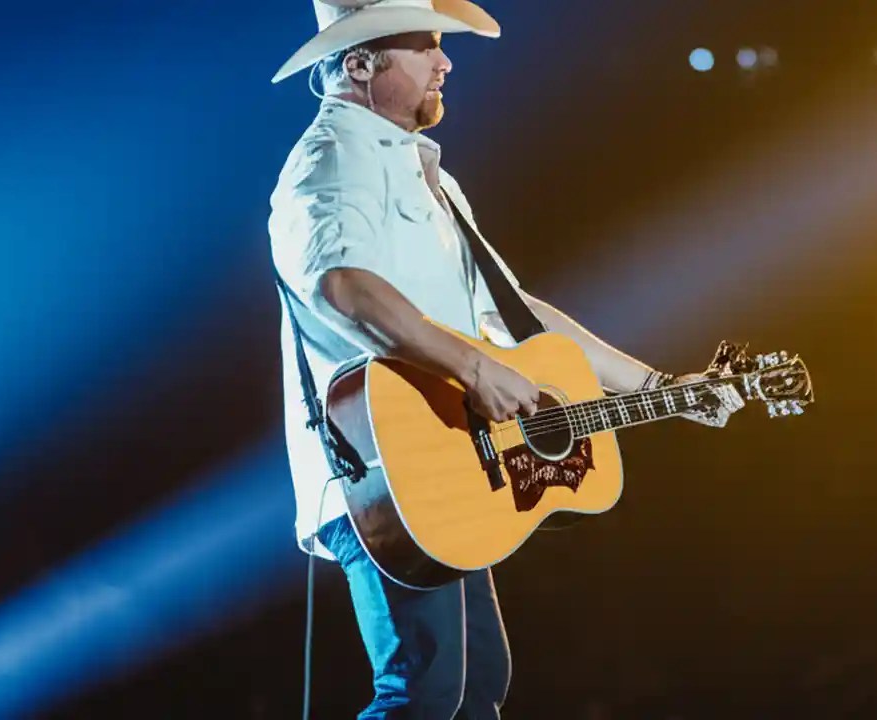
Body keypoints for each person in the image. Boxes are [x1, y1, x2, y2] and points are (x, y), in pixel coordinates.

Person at [267, 1, 745, 717]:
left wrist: (661, 385)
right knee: (424, 695)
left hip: (446, 463)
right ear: (359, 64)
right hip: (381, 473)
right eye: (425, 46)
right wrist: (477, 368)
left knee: (473, 690)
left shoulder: (431, 178)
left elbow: (521, 318)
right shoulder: (336, 154)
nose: (445, 61)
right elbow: (342, 286)